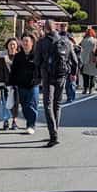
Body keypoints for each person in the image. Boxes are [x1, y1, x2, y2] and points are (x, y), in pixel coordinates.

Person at [35, 19, 75, 148]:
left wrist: (38, 75)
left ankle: (53, 134)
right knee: (57, 104)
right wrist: (73, 74)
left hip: (48, 76)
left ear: (46, 29)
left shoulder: (41, 43)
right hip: (62, 76)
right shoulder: (66, 41)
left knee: (47, 104)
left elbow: (37, 61)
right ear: (55, 28)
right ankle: (55, 130)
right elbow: (74, 60)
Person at [9, 33, 40, 133]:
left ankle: (31, 125)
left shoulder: (37, 55)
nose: (25, 43)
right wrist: (11, 83)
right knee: (24, 106)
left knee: (32, 105)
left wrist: (40, 80)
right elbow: (13, 71)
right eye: (23, 41)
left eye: (27, 41)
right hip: (21, 85)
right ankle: (29, 121)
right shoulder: (18, 56)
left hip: (33, 85)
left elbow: (41, 69)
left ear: (32, 43)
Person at [0, 37, 20, 129]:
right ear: (7, 46)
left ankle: (14, 121)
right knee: (5, 103)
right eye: (10, 44)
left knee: (15, 103)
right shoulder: (2, 57)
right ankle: (6, 121)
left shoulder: (20, 56)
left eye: (14, 45)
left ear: (17, 46)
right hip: (5, 83)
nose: (12, 46)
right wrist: (0, 84)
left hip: (16, 84)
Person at [61, 25, 81, 102]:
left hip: (71, 67)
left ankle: (71, 96)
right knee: (67, 84)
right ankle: (70, 97)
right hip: (65, 66)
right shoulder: (61, 46)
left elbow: (76, 60)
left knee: (70, 83)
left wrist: (74, 72)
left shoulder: (76, 48)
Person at [80, 27, 97, 95]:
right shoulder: (95, 40)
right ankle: (91, 89)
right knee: (92, 75)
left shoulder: (83, 40)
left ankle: (85, 88)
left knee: (85, 75)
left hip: (84, 59)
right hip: (92, 59)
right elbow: (96, 50)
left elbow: (80, 48)